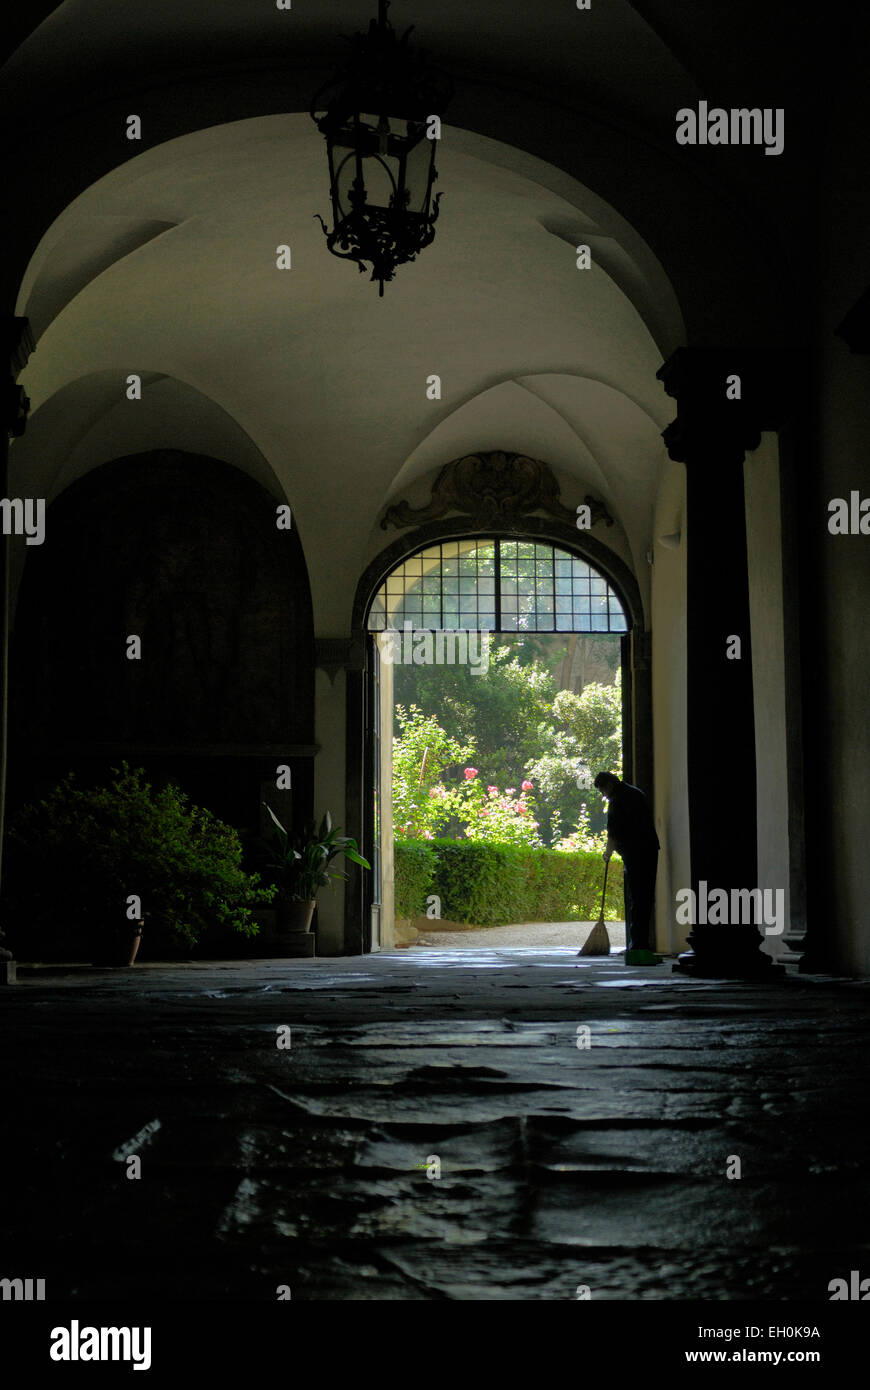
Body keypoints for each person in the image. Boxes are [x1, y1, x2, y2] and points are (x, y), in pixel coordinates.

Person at [593, 771, 661, 965]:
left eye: (602, 791)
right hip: (649, 849)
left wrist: (608, 853)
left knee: (637, 898)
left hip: (634, 852)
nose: (603, 795)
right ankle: (640, 944)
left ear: (608, 785)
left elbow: (613, 831)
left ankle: (637, 945)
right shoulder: (636, 793)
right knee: (645, 897)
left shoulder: (617, 800)